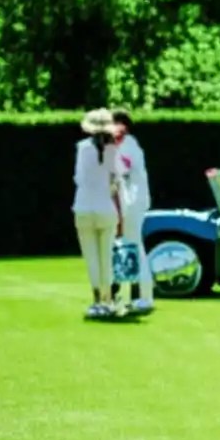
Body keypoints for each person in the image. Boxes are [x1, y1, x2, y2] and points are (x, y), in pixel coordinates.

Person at [72, 108, 122, 319]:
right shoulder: (113, 151)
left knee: (91, 257)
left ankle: (96, 300)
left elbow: (79, 178)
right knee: (106, 257)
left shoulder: (82, 148)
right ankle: (107, 299)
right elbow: (116, 180)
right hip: (105, 208)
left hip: (84, 207)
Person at [112, 109, 154, 314]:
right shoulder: (121, 145)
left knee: (135, 247)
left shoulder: (130, 146)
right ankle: (129, 294)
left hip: (133, 203)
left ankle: (144, 297)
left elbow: (121, 170)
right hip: (126, 204)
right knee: (126, 248)